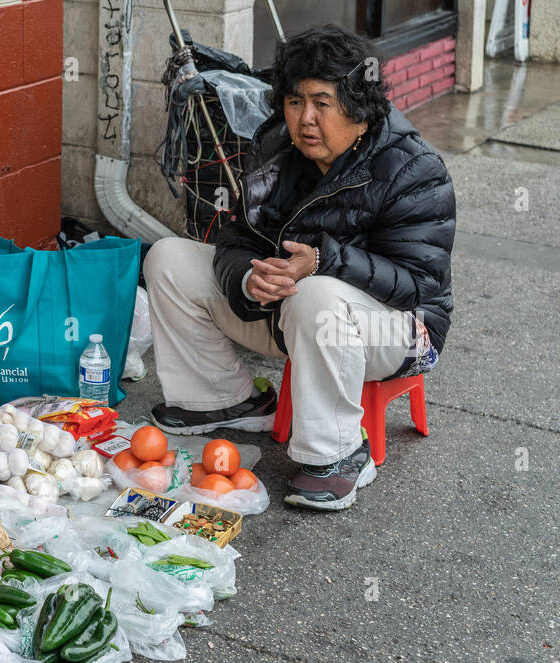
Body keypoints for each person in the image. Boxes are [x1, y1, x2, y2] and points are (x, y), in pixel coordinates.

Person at [144, 24, 455, 510]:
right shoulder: (276, 149)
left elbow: (420, 282)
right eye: (294, 102)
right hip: (296, 317)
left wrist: (326, 261)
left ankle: (339, 454)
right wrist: (249, 278)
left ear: (358, 109)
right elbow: (237, 237)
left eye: (322, 103)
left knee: (316, 292)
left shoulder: (412, 169)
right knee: (168, 257)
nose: (304, 118)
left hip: (400, 331)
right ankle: (225, 400)